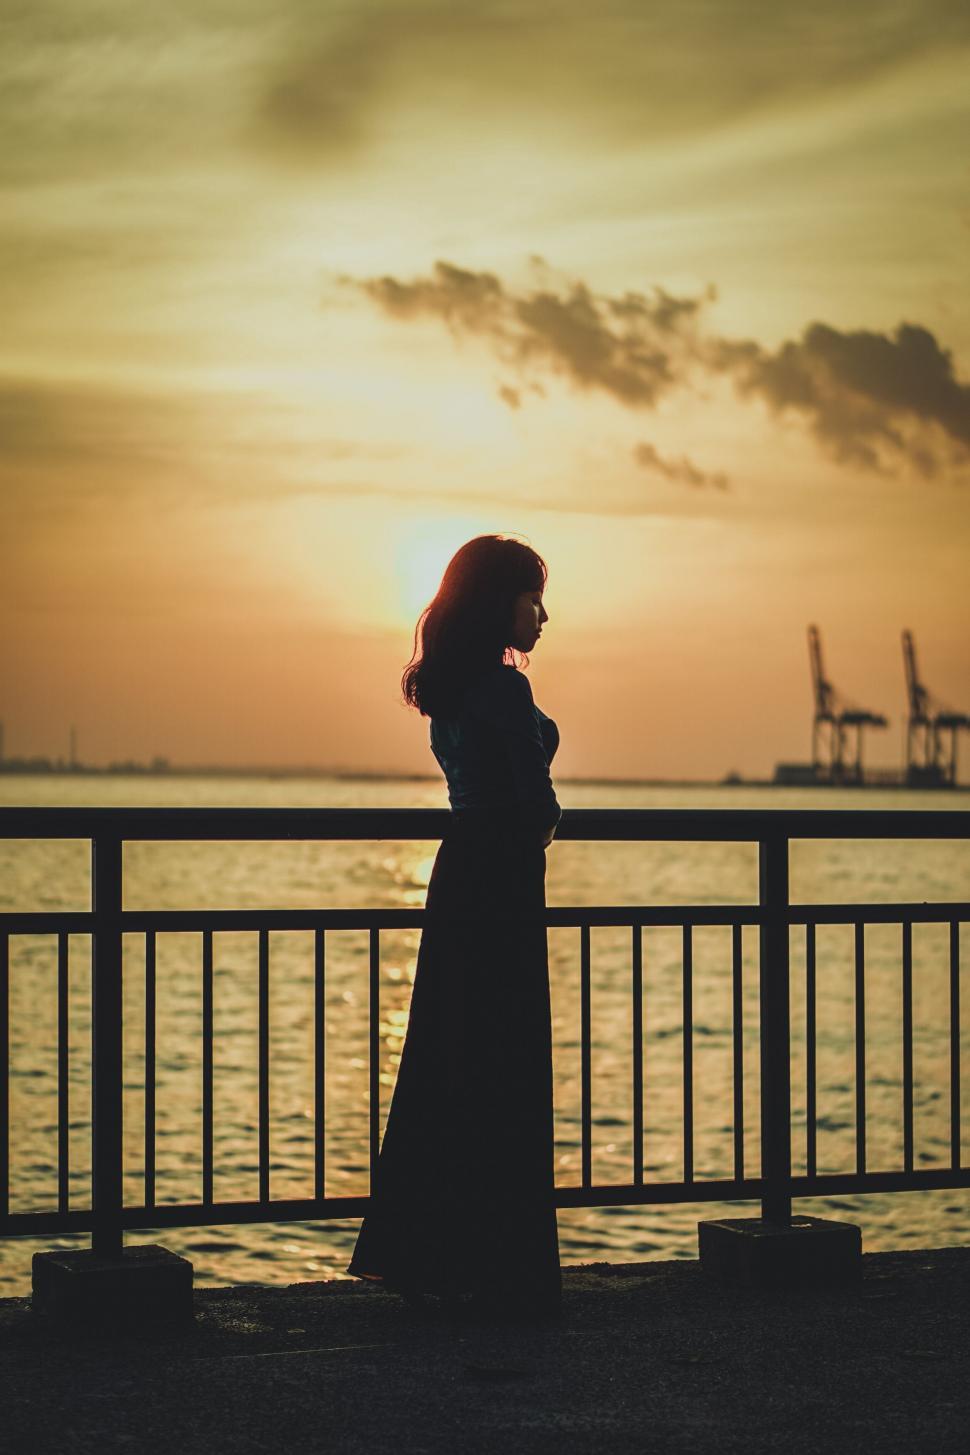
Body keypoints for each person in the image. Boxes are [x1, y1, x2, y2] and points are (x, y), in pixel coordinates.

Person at [347, 534, 562, 1319]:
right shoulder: (502, 690)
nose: (543, 613)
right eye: (532, 597)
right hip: (503, 880)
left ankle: (428, 1252)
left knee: (447, 1057)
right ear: (498, 601)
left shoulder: (454, 687)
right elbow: (537, 805)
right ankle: (503, 1266)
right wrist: (540, 829)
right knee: (505, 1065)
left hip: (457, 871)